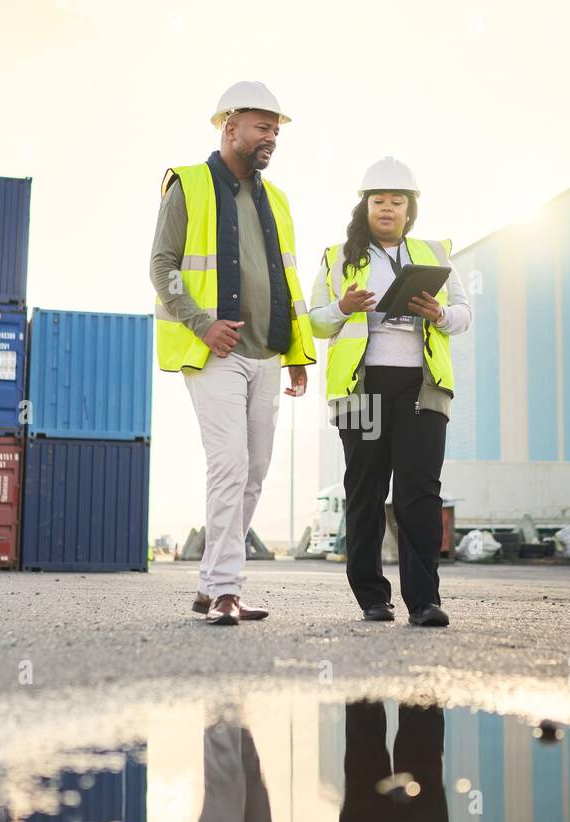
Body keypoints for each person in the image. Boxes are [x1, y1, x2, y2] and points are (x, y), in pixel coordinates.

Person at [150, 82, 316, 625]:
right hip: (214, 352)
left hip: (267, 352)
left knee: (256, 472)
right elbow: (162, 266)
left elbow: (287, 280)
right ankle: (225, 589)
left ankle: (209, 585)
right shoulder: (189, 184)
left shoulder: (279, 200)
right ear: (229, 126)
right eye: (261, 126)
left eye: (275, 129)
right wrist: (202, 324)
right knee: (229, 465)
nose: (271, 137)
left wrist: (296, 349)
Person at [308, 157, 471, 627]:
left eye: (396, 202)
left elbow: (463, 315)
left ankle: (424, 601)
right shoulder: (337, 256)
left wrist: (437, 315)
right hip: (361, 387)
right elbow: (316, 322)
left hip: (422, 387)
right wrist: (342, 306)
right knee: (365, 490)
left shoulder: (434, 254)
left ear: (410, 208)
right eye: (378, 200)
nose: (386, 208)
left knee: (419, 492)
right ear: (364, 206)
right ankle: (372, 599)